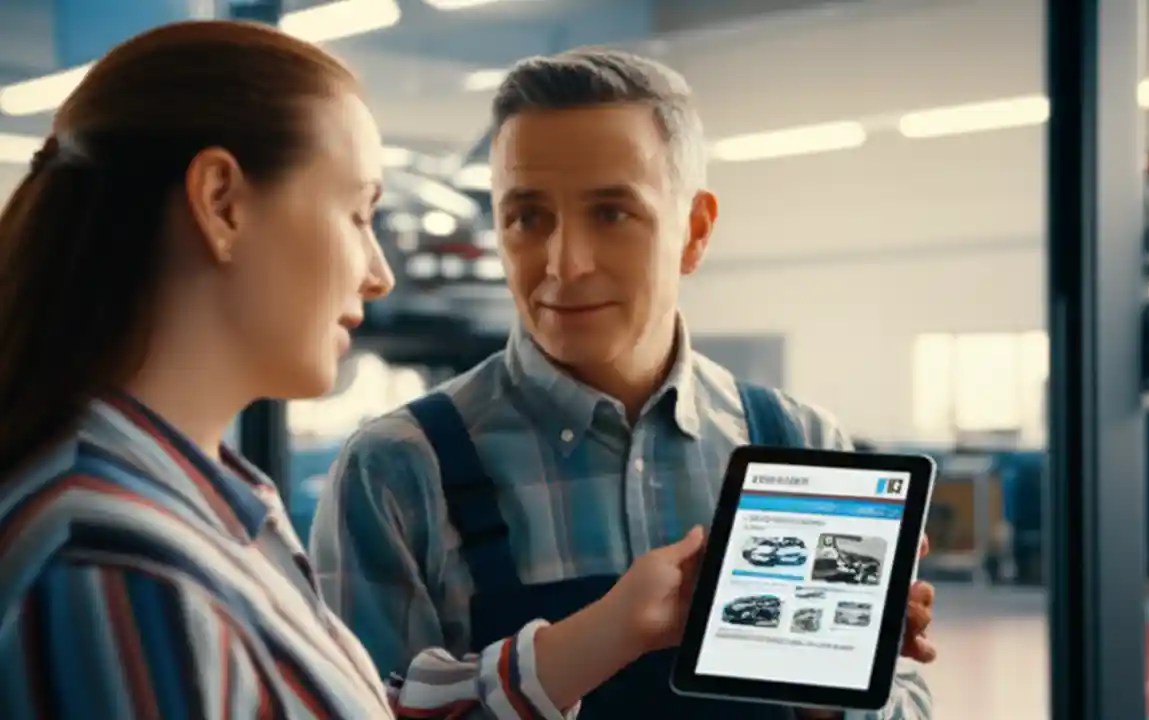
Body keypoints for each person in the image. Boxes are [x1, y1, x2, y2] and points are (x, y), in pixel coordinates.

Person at [0, 22, 715, 720]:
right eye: (356, 213)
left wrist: (596, 640)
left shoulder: (220, 511)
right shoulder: (117, 572)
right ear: (222, 203)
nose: (378, 275)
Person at [311, 48, 937, 719]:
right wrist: (597, 639)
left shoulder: (802, 446)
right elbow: (351, 708)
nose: (564, 263)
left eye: (611, 214)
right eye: (527, 217)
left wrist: (834, 687)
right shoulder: (399, 471)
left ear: (694, 232)